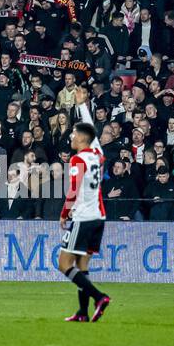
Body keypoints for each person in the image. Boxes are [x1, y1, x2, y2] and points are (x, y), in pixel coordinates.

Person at [57, 122, 111, 322]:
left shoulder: (78, 159)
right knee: (82, 266)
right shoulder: (97, 156)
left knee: (64, 264)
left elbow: (73, 189)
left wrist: (64, 213)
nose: (71, 137)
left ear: (81, 138)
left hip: (84, 218)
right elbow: (96, 142)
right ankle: (82, 312)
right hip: (98, 217)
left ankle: (99, 297)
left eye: (73, 134)